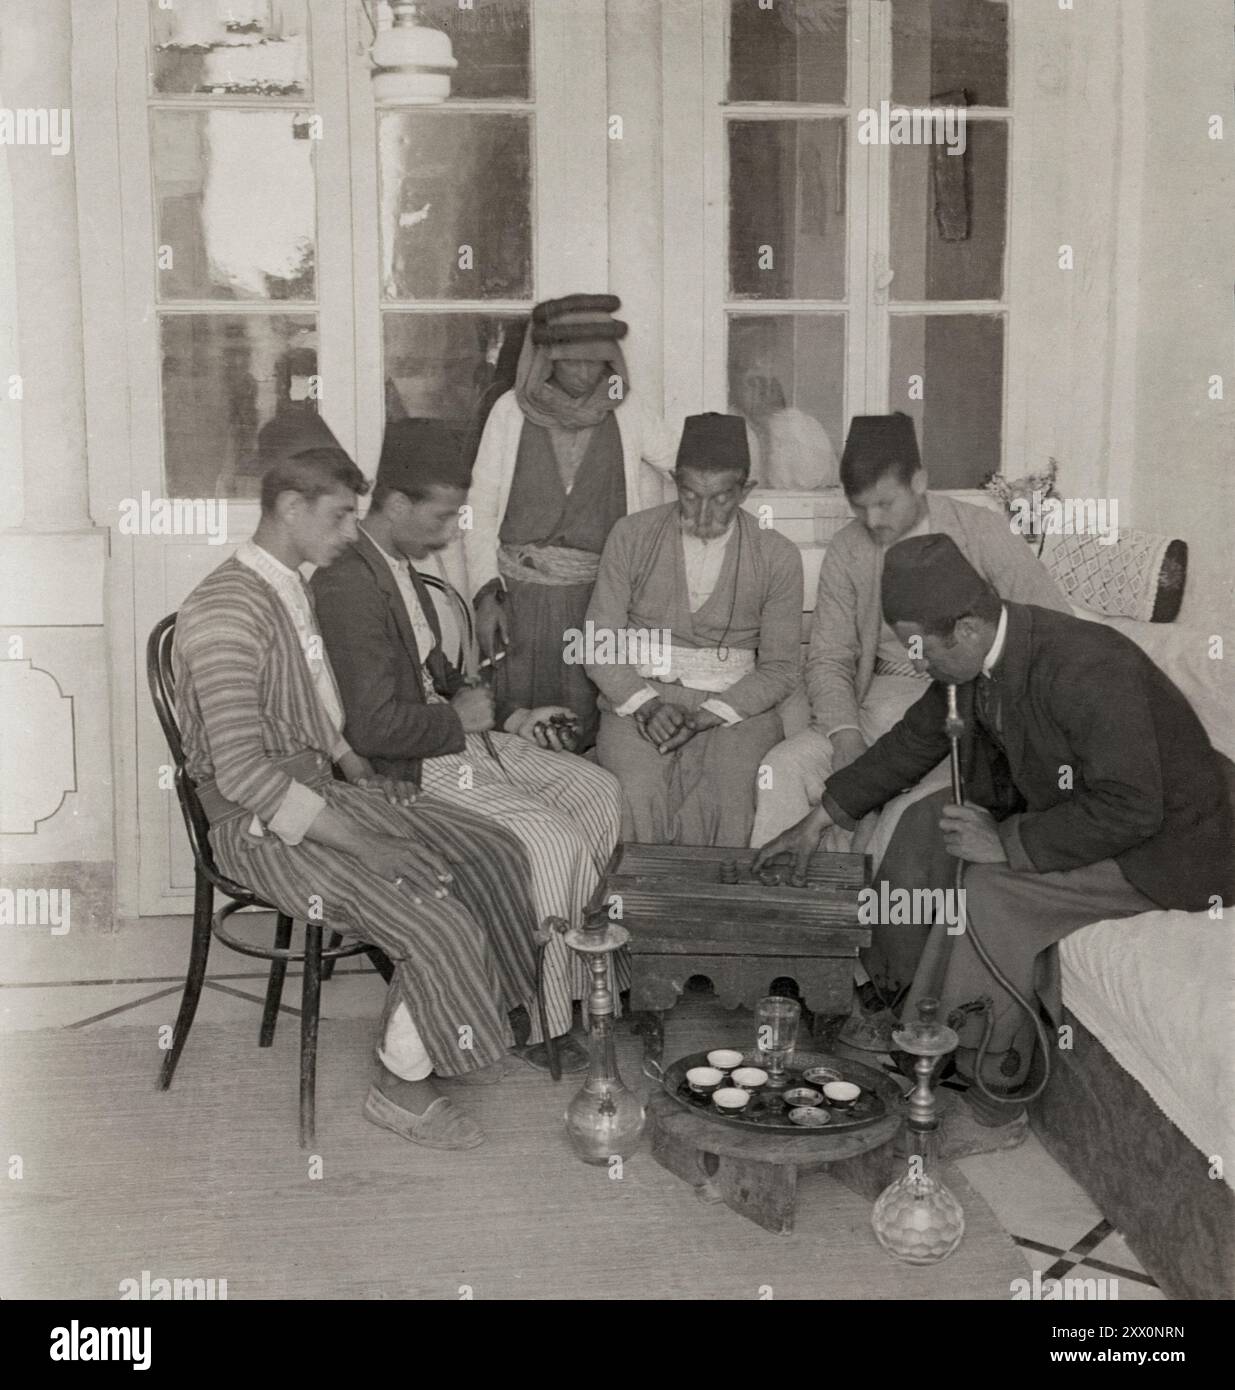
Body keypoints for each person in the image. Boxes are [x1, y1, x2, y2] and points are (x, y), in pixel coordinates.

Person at [755, 534, 1235, 1157]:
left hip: (1175, 840)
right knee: (929, 822)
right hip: (1080, 810)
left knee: (991, 890)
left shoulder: (1091, 665)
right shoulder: (971, 658)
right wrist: (817, 818)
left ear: (973, 625)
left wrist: (1007, 841)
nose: (915, 661)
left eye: (921, 647)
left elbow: (1132, 806)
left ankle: (987, 1100)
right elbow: (912, 743)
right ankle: (895, 1006)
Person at [173, 420, 543, 1152]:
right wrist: (368, 845)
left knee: (493, 849)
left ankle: (456, 1025)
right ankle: (399, 1089)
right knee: (431, 910)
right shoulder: (223, 612)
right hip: (255, 825)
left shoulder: (287, 588)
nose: (352, 532)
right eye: (341, 515)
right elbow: (245, 773)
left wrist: (363, 777)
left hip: (322, 794)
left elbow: (315, 709)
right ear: (288, 508)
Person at [311, 419, 626, 1073]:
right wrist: (462, 719)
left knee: (599, 791)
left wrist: (514, 718)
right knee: (552, 840)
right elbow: (371, 730)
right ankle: (540, 1019)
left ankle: (568, 989)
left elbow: (447, 686)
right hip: (409, 768)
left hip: (458, 741)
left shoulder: (401, 565)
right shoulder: (347, 585)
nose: (454, 531)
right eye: (443, 515)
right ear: (395, 505)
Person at [751, 411, 1070, 848]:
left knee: (906, 813)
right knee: (780, 771)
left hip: (962, 713)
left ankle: (865, 911)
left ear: (919, 481)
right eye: (860, 506)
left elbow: (1049, 626)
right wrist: (844, 736)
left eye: (885, 503)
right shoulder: (848, 548)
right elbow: (829, 657)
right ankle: (779, 907)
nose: (873, 520)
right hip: (873, 702)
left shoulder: (981, 531)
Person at [464, 293, 676, 748]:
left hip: (599, 601)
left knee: (588, 725)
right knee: (520, 724)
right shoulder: (509, 412)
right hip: (518, 601)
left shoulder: (628, 411)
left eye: (595, 363)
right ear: (545, 360)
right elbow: (478, 509)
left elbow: (688, 463)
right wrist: (485, 594)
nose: (584, 374)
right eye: (571, 363)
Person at [586, 413, 803, 847]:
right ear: (674, 481)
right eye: (689, 493)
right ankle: (638, 910)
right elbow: (598, 645)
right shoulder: (630, 536)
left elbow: (780, 669)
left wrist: (708, 715)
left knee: (730, 793)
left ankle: (715, 910)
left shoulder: (778, 555)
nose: (703, 512)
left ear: (746, 491)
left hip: (735, 708)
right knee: (635, 790)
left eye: (721, 498)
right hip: (637, 698)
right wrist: (646, 705)